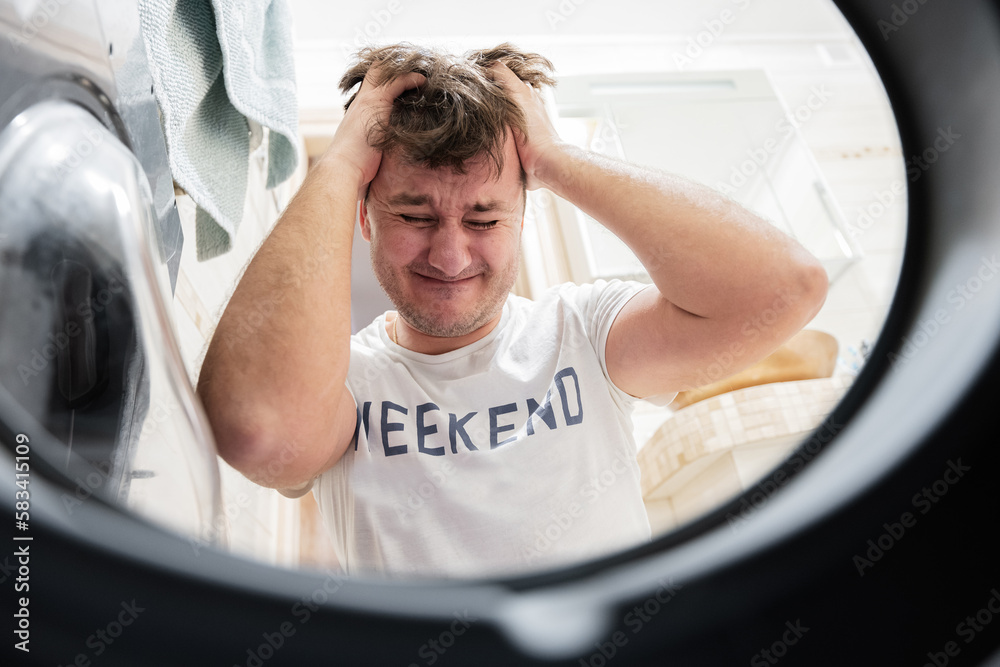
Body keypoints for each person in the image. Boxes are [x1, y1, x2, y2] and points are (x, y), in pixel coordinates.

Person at [196, 43, 829, 579]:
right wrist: (339, 164)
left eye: (485, 217)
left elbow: (787, 287)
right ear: (365, 216)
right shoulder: (342, 383)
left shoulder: (585, 332)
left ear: (523, 214)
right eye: (414, 216)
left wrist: (554, 159)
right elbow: (259, 431)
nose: (449, 255)